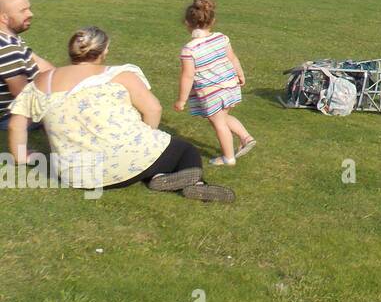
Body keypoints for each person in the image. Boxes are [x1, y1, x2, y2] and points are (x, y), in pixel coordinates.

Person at [7, 26, 233, 201]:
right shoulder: (120, 74)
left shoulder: (41, 82)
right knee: (185, 150)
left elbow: (16, 125)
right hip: (129, 162)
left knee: (149, 158)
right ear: (104, 51)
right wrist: (146, 139)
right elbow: (153, 109)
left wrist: (21, 156)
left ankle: (159, 177)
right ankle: (190, 183)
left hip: (79, 175)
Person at [175, 0, 253, 167]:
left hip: (212, 93)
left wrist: (182, 100)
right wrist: (240, 75)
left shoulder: (189, 49)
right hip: (230, 86)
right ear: (213, 21)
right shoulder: (221, 38)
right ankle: (246, 137)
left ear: (187, 23)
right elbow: (232, 58)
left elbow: (187, 76)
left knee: (219, 123)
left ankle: (228, 157)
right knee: (223, 117)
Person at [0, 0, 52, 128]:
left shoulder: (9, 38)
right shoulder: (7, 48)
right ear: (4, 18)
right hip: (11, 114)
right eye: (23, 11)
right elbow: (21, 93)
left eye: (29, 8)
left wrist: (66, 80)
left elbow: (38, 62)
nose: (31, 14)